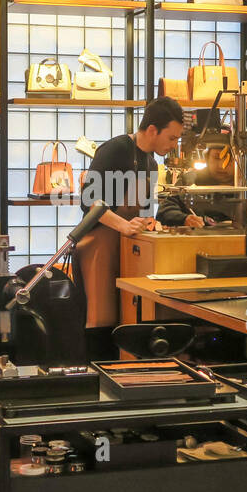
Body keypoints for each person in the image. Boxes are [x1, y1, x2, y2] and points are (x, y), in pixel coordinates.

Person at [74, 96, 184, 329]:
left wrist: (152, 223)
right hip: (98, 245)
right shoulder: (115, 149)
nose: (174, 144)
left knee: (127, 317)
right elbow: (89, 200)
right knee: (101, 318)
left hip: (129, 249)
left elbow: (144, 211)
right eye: (172, 137)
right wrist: (122, 225)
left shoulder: (152, 165)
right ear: (153, 130)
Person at [156, 142, 247, 234]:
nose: (221, 166)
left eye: (229, 160)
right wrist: (185, 219)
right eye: (216, 157)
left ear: (240, 161)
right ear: (207, 158)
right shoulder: (190, 181)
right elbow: (164, 211)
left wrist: (240, 216)